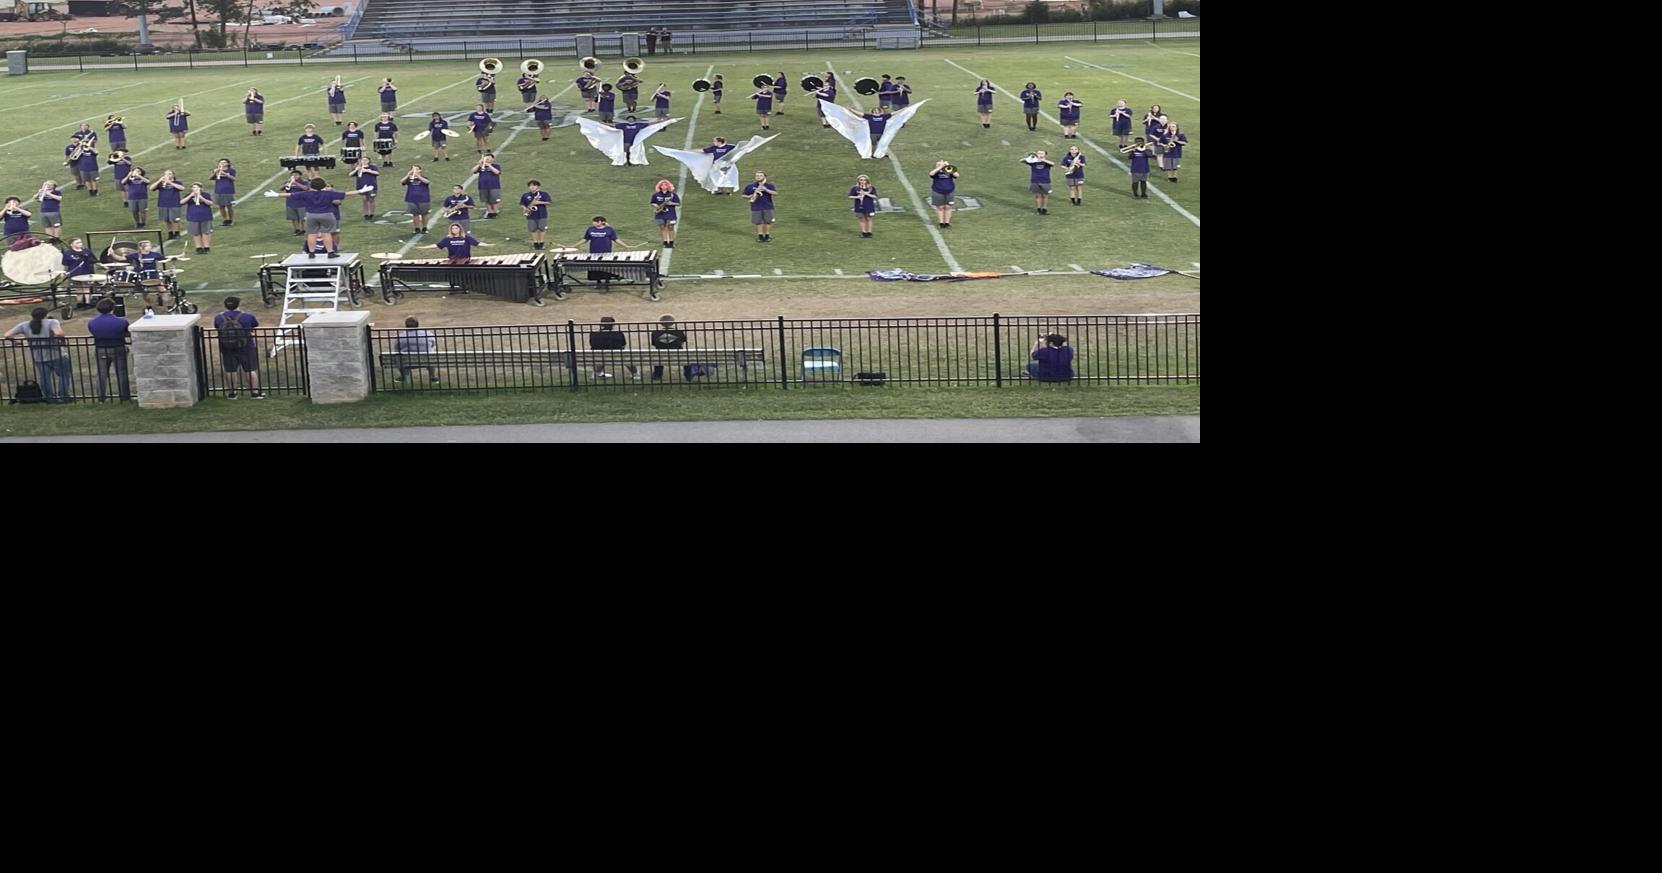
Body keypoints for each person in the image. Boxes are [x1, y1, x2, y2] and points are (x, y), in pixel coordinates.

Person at [4, 307, 71, 403]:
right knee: (64, 376)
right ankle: (63, 396)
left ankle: (49, 398)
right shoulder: (52, 322)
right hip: (56, 354)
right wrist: (63, 342)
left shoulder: (24, 325)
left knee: (44, 379)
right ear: (45, 315)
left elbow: (7, 335)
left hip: (38, 356)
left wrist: (15, 342)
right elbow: (59, 333)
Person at [273, 178, 346, 257]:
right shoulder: (328, 193)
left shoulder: (307, 193)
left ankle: (311, 253)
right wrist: (359, 191)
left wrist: (276, 194)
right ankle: (330, 252)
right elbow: (346, 193)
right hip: (326, 215)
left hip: (311, 215)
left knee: (311, 234)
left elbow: (291, 194)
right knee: (327, 234)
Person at [214, 297, 263, 399]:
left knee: (230, 370)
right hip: (246, 347)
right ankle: (254, 392)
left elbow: (217, 326)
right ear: (238, 305)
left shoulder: (219, 317)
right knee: (250, 370)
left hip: (227, 348)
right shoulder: (247, 316)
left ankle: (232, 393)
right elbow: (255, 324)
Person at [86, 297, 130, 402]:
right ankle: (124, 397)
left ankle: (101, 398)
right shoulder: (121, 321)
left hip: (101, 348)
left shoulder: (92, 322)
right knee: (121, 373)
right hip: (118, 347)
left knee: (101, 374)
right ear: (113, 308)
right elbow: (127, 332)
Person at [573, 216, 633, 288]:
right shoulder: (590, 229)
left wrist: (626, 246)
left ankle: (607, 282)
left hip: (606, 253)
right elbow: (585, 239)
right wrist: (574, 245)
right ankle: (598, 283)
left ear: (600, 222)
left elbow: (616, 239)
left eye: (595, 222)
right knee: (596, 269)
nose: (593, 223)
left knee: (607, 268)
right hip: (594, 253)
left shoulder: (609, 230)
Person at [588, 315, 639, 381]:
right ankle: (635, 374)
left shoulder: (593, 334)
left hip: (598, 357)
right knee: (627, 356)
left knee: (601, 356)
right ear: (612, 325)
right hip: (617, 356)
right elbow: (623, 345)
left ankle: (597, 372)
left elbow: (592, 345)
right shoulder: (618, 334)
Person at [394, 317, 440, 384]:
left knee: (398, 355)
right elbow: (433, 345)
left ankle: (403, 376)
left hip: (407, 362)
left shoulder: (401, 336)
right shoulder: (428, 334)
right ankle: (432, 376)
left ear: (406, 325)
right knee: (431, 352)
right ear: (417, 324)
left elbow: (396, 349)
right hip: (426, 361)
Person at [124, 239, 168, 310]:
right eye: (148, 245)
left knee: (162, 290)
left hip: (153, 275)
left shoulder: (155, 254)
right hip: (142, 276)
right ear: (142, 247)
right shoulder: (136, 255)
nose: (150, 247)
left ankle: (165, 306)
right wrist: (113, 253)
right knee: (146, 295)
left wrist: (179, 256)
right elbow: (121, 258)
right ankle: (149, 306)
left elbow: (166, 258)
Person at [150, 169, 186, 240]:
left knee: (175, 219)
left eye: (169, 174)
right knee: (167, 219)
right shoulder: (160, 183)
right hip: (163, 204)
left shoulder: (177, 182)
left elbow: (182, 188)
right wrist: (159, 181)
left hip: (174, 203)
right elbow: (151, 188)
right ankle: (170, 233)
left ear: (173, 175)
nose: (168, 175)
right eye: (166, 174)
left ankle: (177, 233)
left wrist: (170, 182)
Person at [649, 314, 687, 381]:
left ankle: (657, 376)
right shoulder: (679, 332)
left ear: (661, 323)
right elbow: (682, 343)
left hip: (661, 355)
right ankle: (688, 375)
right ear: (673, 322)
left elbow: (654, 344)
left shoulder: (655, 333)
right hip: (678, 355)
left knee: (658, 358)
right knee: (687, 360)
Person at [742, 171, 777, 242]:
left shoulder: (769, 185)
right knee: (758, 222)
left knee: (768, 222)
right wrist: (749, 196)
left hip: (767, 206)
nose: (758, 177)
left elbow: (775, 193)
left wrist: (766, 189)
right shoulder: (750, 186)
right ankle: (760, 236)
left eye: (760, 175)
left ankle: (767, 236)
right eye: (757, 175)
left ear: (764, 177)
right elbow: (743, 195)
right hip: (756, 207)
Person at [520, 179, 552, 249]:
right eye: (530, 186)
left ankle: (541, 243)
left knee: (542, 229)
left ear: (537, 186)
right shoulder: (525, 195)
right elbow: (522, 204)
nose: (532, 187)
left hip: (542, 214)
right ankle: (535, 243)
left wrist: (539, 202)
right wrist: (525, 208)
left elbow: (549, 202)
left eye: (534, 185)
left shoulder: (543, 194)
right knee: (533, 229)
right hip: (531, 215)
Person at [184, 183, 215, 254]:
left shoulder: (205, 195)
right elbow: (181, 202)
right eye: (193, 187)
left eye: (197, 187)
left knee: (205, 232)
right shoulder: (189, 195)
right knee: (195, 233)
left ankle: (206, 247)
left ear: (200, 188)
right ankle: (199, 248)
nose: (195, 189)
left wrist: (201, 198)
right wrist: (190, 196)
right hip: (193, 217)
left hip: (205, 216)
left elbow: (210, 203)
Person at [401, 165, 432, 234]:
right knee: (415, 214)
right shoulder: (409, 179)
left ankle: (424, 227)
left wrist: (417, 175)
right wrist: (408, 175)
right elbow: (402, 182)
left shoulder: (424, 177)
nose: (414, 170)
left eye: (416, 169)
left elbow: (427, 182)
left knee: (424, 214)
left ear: (420, 170)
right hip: (411, 199)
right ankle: (417, 228)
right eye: (413, 169)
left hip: (424, 199)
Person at [650, 179, 680, 248]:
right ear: (659, 186)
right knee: (662, 227)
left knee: (670, 227)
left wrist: (671, 203)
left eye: (665, 184)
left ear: (668, 186)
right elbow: (652, 202)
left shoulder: (673, 195)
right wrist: (657, 206)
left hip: (671, 213)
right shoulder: (656, 195)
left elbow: (678, 203)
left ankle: (672, 242)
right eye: (662, 184)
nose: (664, 186)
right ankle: (665, 242)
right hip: (660, 213)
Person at [928, 160, 957, 228]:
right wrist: (939, 167)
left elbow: (957, 175)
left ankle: (947, 223)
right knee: (940, 207)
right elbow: (931, 174)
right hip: (937, 191)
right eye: (939, 164)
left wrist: (948, 167)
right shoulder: (936, 173)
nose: (941, 165)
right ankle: (941, 222)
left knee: (948, 207)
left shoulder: (949, 171)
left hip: (949, 192)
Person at [350, 155, 380, 220]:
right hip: (361, 186)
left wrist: (367, 171)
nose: (364, 161)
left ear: (369, 161)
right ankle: (366, 213)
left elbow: (377, 173)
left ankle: (372, 213)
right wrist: (356, 170)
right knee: (364, 199)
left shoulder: (373, 167)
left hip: (372, 186)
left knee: (371, 199)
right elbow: (350, 174)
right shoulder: (358, 167)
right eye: (363, 160)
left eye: (366, 160)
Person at [474, 152, 502, 217]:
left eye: (489, 158)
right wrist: (479, 164)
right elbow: (473, 171)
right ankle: (490, 212)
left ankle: (495, 211)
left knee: (494, 200)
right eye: (486, 158)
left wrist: (489, 165)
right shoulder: (481, 166)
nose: (487, 159)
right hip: (483, 186)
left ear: (493, 159)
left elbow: (497, 172)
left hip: (494, 185)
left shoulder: (496, 165)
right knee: (486, 200)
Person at [211, 159, 237, 225]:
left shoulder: (231, 170)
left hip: (228, 190)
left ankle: (231, 220)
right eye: (221, 162)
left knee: (229, 206)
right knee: (221, 206)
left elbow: (233, 179)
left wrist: (225, 173)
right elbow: (212, 178)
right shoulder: (216, 170)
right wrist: (215, 172)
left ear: (228, 163)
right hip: (218, 190)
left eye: (224, 162)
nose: (222, 163)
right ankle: (225, 219)